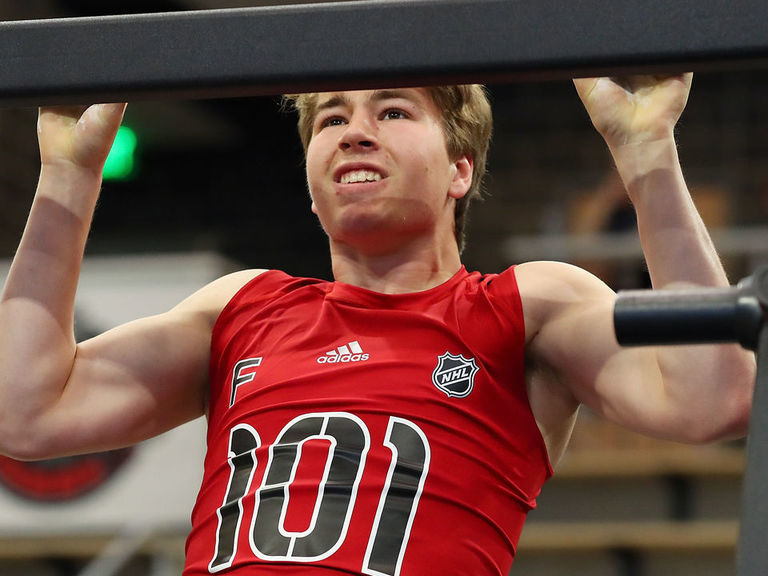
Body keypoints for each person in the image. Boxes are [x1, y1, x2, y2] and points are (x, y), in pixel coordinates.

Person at [0, 75, 754, 575]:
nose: (355, 132)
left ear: (461, 167)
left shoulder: (526, 305)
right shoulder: (240, 306)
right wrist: (68, 176)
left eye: (392, 111)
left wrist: (646, 154)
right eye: (331, 119)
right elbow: (25, 412)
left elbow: (711, 399)